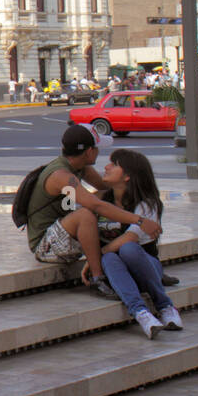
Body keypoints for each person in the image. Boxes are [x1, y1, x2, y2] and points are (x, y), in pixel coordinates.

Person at [24, 125, 162, 286]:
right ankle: (98, 277)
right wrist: (140, 220)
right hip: (46, 245)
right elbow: (94, 205)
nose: (102, 159)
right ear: (89, 152)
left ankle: (150, 268)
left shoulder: (81, 168)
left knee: (106, 204)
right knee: (86, 214)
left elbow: (108, 187)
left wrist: (142, 191)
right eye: (97, 148)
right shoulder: (61, 175)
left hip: (66, 233)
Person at [91, 149, 181, 337]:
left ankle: (165, 306)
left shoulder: (148, 204)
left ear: (127, 176)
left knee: (128, 249)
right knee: (109, 259)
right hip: (117, 273)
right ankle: (142, 315)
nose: (106, 167)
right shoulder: (100, 200)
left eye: (114, 164)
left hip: (146, 267)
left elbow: (130, 237)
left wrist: (93, 258)